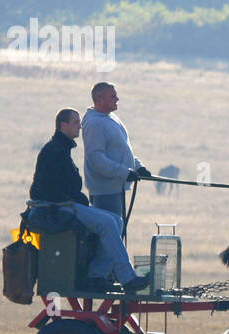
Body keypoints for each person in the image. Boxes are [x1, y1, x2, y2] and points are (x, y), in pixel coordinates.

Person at [30, 108, 149, 294]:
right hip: (53, 208)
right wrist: (77, 199)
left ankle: (97, 275)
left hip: (65, 205)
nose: (80, 126)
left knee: (116, 221)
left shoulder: (61, 148)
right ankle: (128, 278)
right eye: (75, 122)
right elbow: (48, 189)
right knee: (108, 222)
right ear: (63, 125)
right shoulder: (53, 150)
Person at [82, 82, 151, 220]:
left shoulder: (110, 118)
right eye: (113, 96)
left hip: (116, 188)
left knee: (116, 231)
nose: (117, 99)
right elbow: (96, 158)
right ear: (100, 100)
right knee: (110, 234)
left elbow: (121, 150)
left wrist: (138, 167)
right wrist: (124, 172)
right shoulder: (95, 123)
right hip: (105, 191)